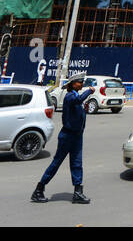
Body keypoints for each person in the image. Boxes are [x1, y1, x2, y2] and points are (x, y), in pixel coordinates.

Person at [31, 73, 92, 205]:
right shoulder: (70, 96)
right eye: (79, 82)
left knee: (77, 163)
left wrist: (84, 111)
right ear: (73, 84)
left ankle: (77, 192)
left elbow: (78, 113)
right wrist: (89, 91)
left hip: (76, 136)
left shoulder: (75, 96)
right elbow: (78, 100)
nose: (81, 84)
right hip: (67, 136)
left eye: (82, 82)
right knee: (56, 163)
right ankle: (39, 189)